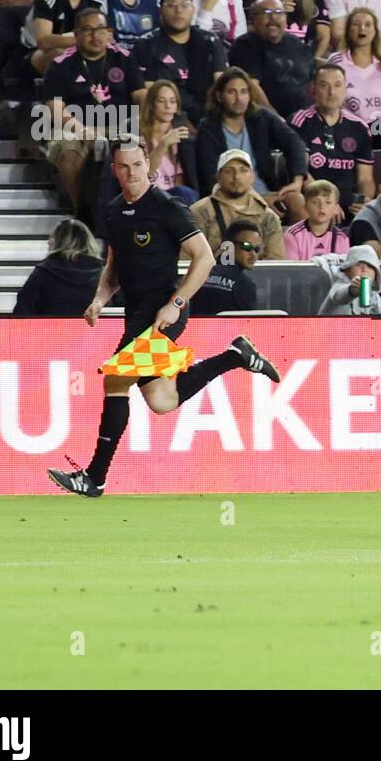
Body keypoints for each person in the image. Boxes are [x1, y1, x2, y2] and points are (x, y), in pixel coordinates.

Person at [46, 139, 282, 499]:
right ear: (115, 170)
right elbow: (115, 265)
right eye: (124, 167)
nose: (131, 173)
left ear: (149, 166)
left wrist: (177, 302)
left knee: (115, 380)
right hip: (135, 313)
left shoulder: (166, 207)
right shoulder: (112, 211)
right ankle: (236, 355)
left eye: (137, 165)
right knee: (162, 401)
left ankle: (95, 478)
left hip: (162, 314)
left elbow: (204, 257)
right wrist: (99, 298)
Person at [40, 8, 147, 210]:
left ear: (109, 32)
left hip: (121, 124)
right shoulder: (61, 64)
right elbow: (55, 107)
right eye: (88, 30)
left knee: (149, 140)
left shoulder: (124, 58)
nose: (95, 36)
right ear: (77, 34)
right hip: (75, 127)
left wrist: (142, 123)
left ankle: (138, 206)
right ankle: (84, 212)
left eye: (100, 29)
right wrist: (82, 130)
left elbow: (141, 96)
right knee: (69, 150)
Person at [194, 67, 307, 210]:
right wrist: (257, 200)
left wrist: (297, 182)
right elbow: (210, 178)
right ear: (219, 96)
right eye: (231, 92)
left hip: (267, 193)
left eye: (243, 92)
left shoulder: (261, 117)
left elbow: (295, 143)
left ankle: (304, 234)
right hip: (229, 198)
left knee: (296, 200)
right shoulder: (208, 128)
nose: (238, 98)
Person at [132, 0, 228, 129]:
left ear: (193, 10)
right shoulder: (146, 45)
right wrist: (180, 123)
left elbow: (221, 86)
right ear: (160, 11)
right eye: (171, 5)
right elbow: (148, 95)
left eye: (185, 5)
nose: (178, 11)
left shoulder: (210, 42)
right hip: (166, 120)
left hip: (209, 118)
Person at [289, 64, 376, 218]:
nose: (331, 92)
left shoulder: (359, 127)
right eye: (324, 86)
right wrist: (328, 204)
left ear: (345, 89)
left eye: (337, 85)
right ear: (313, 89)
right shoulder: (300, 121)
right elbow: (301, 172)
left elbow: (365, 179)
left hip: (348, 202)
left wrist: (365, 201)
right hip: (313, 201)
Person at [228, 0, 319, 119]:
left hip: (307, 119)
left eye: (278, 12)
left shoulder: (295, 42)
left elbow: (314, 77)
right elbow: (252, 87)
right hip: (273, 121)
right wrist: (277, 121)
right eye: (266, 12)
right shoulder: (245, 46)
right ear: (253, 19)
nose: (273, 18)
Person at [189, 147, 288, 258]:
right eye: (229, 171)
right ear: (218, 177)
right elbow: (188, 260)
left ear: (252, 176)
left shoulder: (268, 217)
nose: (236, 177)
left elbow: (276, 263)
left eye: (243, 170)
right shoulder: (200, 212)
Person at [328, 6, 381, 139]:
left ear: (375, 31)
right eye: (356, 24)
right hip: (347, 131)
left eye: (368, 25)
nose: (362, 29)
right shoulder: (336, 62)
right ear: (348, 30)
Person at [13, 218, 103, 316]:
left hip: (48, 330)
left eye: (52, 237)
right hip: (94, 330)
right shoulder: (103, 275)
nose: (48, 242)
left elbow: (22, 312)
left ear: (56, 242)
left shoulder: (43, 272)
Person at [137, 79, 199, 204]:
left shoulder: (183, 135)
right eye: (161, 101)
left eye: (172, 101)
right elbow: (142, 175)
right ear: (152, 104)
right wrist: (163, 145)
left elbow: (186, 180)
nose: (168, 106)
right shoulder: (137, 133)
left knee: (184, 193)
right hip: (148, 197)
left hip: (176, 200)